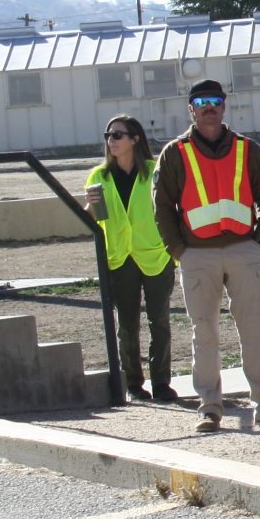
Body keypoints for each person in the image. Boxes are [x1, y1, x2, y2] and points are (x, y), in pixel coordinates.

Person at [152, 79, 260, 435]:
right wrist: (179, 249)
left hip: (242, 250)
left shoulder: (247, 149)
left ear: (224, 106)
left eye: (215, 101)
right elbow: (161, 206)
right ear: (191, 108)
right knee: (204, 333)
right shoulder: (175, 153)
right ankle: (209, 408)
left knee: (255, 329)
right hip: (196, 255)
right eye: (202, 101)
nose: (209, 107)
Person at [85, 115, 178, 404]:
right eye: (108, 135)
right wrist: (89, 209)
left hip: (155, 254)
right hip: (119, 257)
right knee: (126, 323)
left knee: (159, 321)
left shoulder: (154, 171)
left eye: (118, 135)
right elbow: (94, 220)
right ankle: (134, 384)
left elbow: (172, 206)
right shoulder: (98, 176)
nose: (111, 140)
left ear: (135, 139)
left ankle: (162, 383)